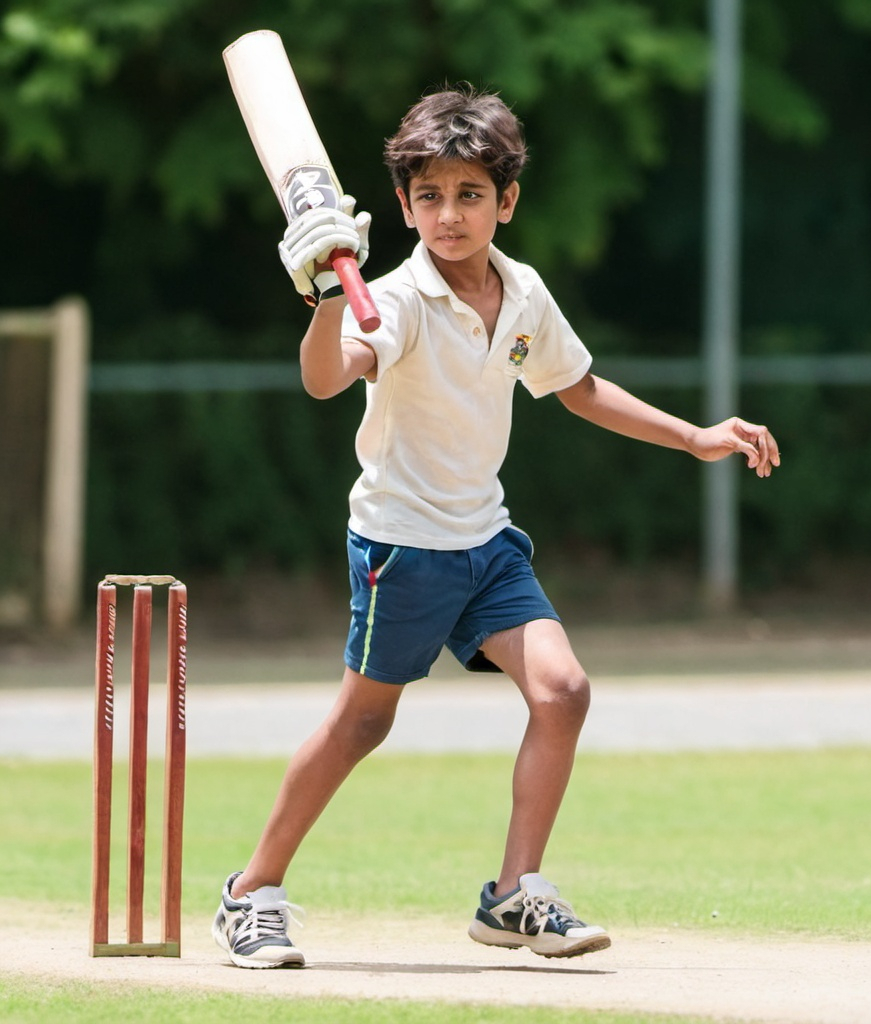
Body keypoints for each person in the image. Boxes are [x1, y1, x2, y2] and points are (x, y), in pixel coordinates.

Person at [212, 85, 780, 970]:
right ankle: (251, 893)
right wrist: (327, 292)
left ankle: (515, 894)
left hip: (485, 543)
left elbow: (578, 386)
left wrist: (695, 435)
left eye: (470, 194)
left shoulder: (523, 294)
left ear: (506, 202)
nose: (449, 215)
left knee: (564, 691)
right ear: (401, 206)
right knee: (363, 725)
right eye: (429, 197)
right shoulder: (392, 300)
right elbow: (326, 378)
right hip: (400, 546)